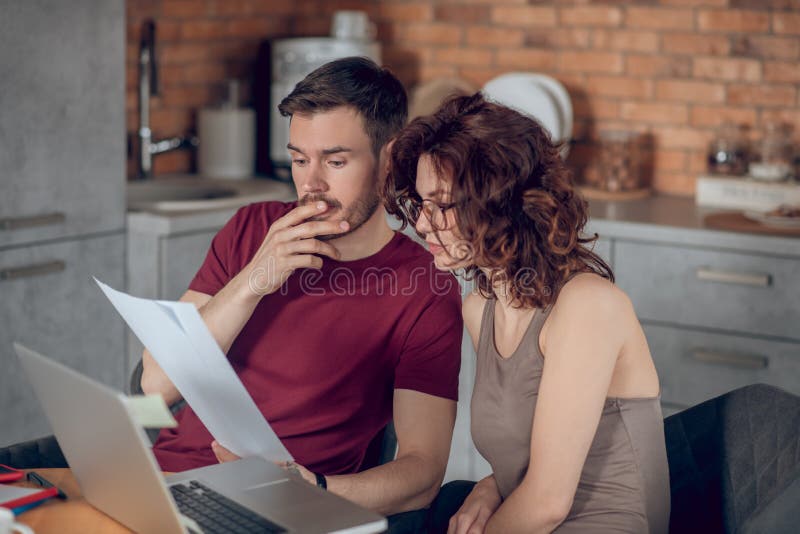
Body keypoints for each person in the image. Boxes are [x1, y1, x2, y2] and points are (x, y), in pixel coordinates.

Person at [141, 57, 464, 527]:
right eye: (298, 159)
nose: (310, 185)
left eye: (335, 161)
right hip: (160, 486)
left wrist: (312, 489)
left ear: (390, 160)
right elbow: (156, 385)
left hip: (272, 512)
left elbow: (422, 474)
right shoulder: (250, 229)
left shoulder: (424, 288)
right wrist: (253, 280)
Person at [384, 93, 670, 533]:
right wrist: (491, 486)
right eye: (422, 205)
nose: (423, 224)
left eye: (442, 205)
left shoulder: (589, 306)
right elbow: (533, 454)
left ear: (502, 203)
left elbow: (549, 502)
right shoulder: (481, 311)